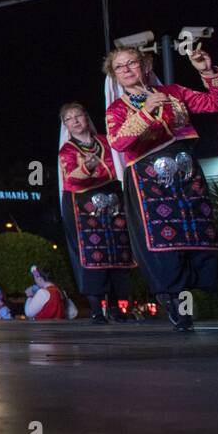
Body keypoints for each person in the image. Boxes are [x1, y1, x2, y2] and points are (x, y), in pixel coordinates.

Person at [104, 44, 218, 331]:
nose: (126, 69)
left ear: (145, 66)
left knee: (197, 238)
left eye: (131, 63)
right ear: (115, 76)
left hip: (186, 174)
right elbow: (118, 142)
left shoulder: (174, 93)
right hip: (150, 182)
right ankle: (173, 303)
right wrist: (146, 112)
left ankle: (190, 301)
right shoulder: (117, 109)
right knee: (163, 246)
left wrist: (207, 71)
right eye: (119, 67)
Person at [57, 102, 135, 323]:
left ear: (86, 117)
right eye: (69, 118)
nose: (75, 121)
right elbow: (71, 176)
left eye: (78, 116)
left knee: (117, 252)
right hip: (82, 207)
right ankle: (95, 309)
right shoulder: (67, 150)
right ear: (66, 125)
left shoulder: (105, 141)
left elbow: (115, 167)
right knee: (91, 254)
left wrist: (95, 171)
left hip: (112, 203)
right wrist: (88, 169)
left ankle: (115, 307)